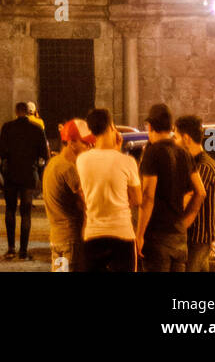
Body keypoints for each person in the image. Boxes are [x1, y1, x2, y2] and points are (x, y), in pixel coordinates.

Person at [137, 102, 206, 273]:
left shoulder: (152, 153)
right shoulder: (184, 153)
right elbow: (200, 192)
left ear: (150, 126)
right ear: (170, 127)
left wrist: (139, 235)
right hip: (179, 237)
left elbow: (148, 197)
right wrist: (186, 220)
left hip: (156, 236)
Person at [76, 107, 142, 272]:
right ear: (112, 126)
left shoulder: (82, 160)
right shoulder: (127, 162)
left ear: (91, 131)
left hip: (93, 234)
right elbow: (138, 199)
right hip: (122, 235)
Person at [0, 102, 50, 260]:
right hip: (28, 175)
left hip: (11, 175)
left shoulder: (7, 127)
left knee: (10, 210)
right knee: (26, 213)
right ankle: (23, 251)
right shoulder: (37, 129)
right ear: (28, 112)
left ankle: (11, 248)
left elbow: (1, 151)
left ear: (16, 112)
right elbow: (44, 155)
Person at [42, 119, 95, 271]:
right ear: (72, 143)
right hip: (71, 240)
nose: (90, 146)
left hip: (57, 238)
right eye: (85, 143)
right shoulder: (68, 169)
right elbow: (87, 202)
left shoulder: (53, 163)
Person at [175, 114, 215, 273]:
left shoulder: (203, 167)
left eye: (176, 137)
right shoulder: (195, 163)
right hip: (197, 237)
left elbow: (187, 198)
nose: (175, 142)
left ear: (186, 138)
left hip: (198, 237)